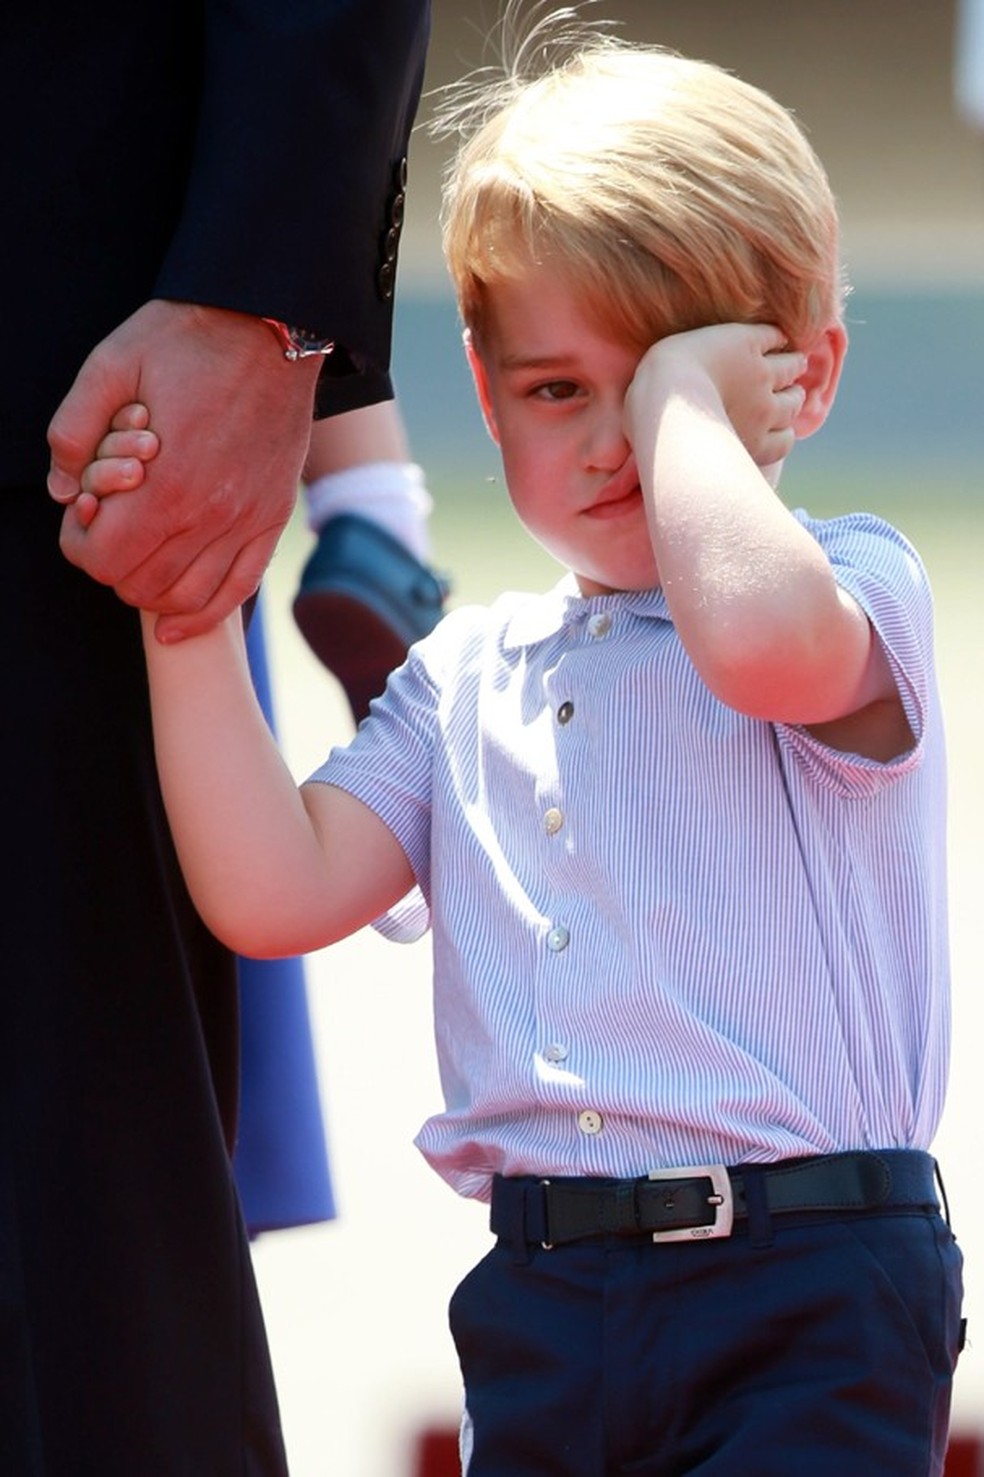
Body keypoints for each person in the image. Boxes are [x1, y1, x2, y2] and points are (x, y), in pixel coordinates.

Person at [90, 21, 964, 1476]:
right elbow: (275, 887)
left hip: (809, 1270)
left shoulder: (851, 588)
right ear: (487, 402)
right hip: (547, 1287)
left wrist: (691, 413)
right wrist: (189, 609)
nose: (616, 442)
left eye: (661, 381)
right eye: (561, 391)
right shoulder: (465, 679)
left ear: (804, 379)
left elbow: (751, 641)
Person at [0, 2, 429, 1472]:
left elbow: (277, 889)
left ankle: (376, 510)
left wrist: (266, 297)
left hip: (50, 356)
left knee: (69, 1225)